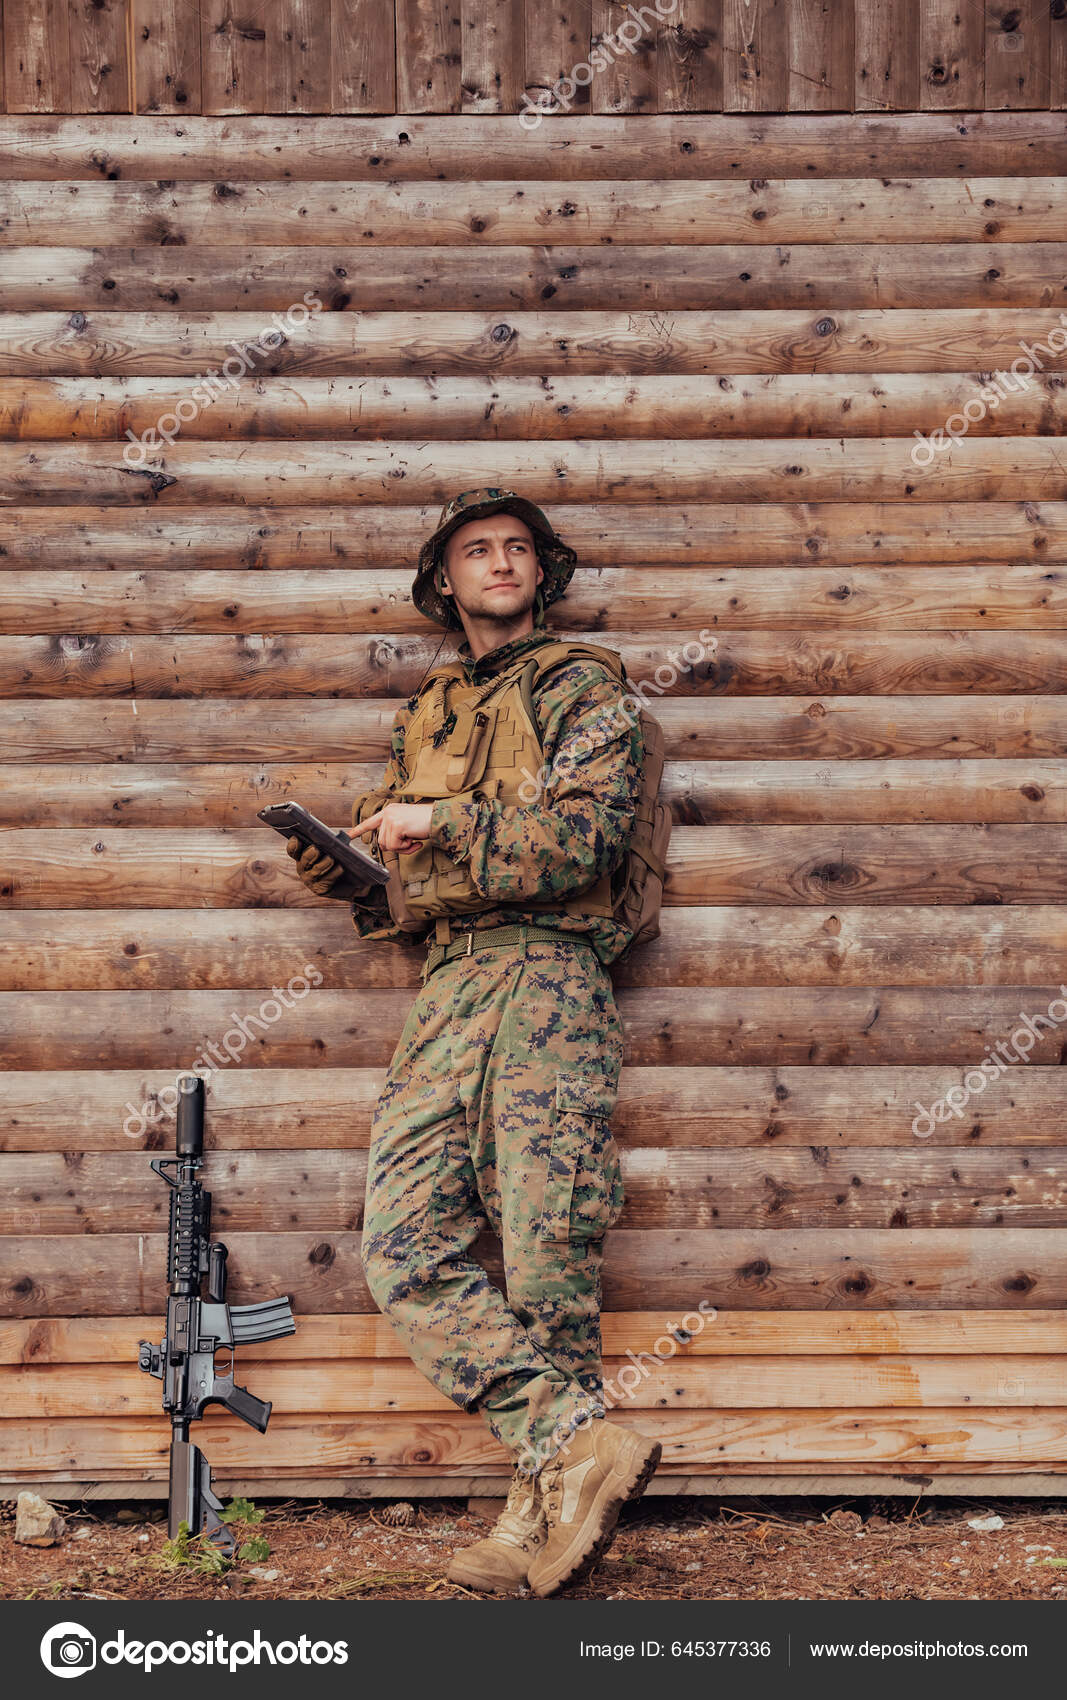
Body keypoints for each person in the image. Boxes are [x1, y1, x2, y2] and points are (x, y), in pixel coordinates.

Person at [288, 487, 660, 1597]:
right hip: (449, 984)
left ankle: (535, 1519)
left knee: (547, 1254)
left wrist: (437, 822)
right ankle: (574, 1443)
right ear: (442, 582)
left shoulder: (584, 686)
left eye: (516, 549)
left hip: (548, 974)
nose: (499, 563)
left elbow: (586, 836)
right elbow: (416, 890)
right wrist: (352, 873)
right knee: (402, 1247)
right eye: (474, 551)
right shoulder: (432, 712)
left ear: (541, 573)